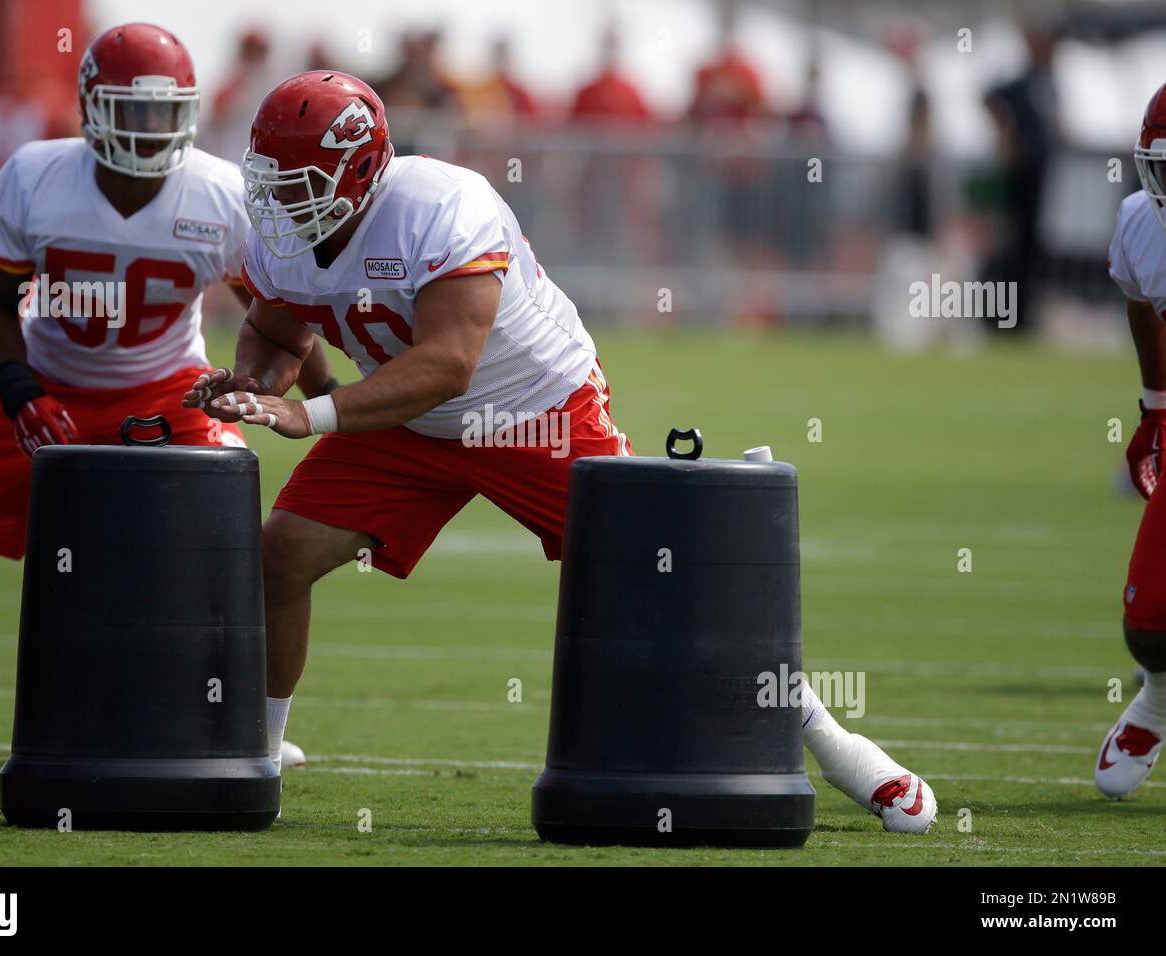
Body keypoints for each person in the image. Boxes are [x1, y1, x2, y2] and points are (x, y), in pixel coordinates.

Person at [185, 70, 939, 833]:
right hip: (405, 422)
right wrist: (255, 381)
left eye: (299, 181)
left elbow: (448, 365)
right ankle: (261, 752)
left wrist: (308, 412)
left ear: (358, 168)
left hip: (534, 411)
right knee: (279, 555)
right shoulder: (285, 236)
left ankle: (834, 745)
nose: (279, 200)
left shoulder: (444, 208)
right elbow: (280, 330)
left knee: (663, 576)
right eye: (269, 179)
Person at [0, 23, 337, 748]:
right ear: (91, 106)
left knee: (238, 547)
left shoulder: (219, 194)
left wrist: (322, 398)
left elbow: (277, 317)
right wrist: (20, 389)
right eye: (132, 109)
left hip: (167, 395)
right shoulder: (35, 175)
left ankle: (252, 729)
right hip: (43, 388)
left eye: (162, 110)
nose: (149, 128)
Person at [1098, 81, 1166, 797]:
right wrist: (1155, 408)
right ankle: (1157, 700)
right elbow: (1142, 298)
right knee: (1148, 623)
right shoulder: (1141, 222)